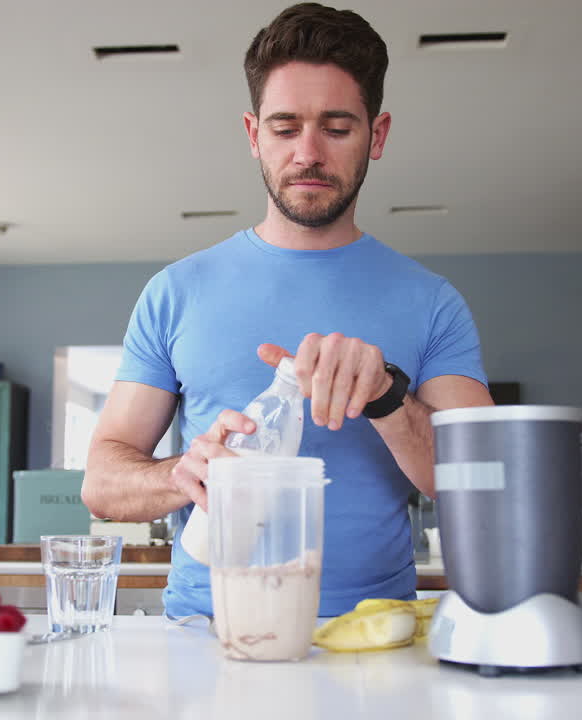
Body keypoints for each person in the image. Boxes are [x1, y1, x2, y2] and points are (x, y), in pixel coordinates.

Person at [81, 2, 494, 618]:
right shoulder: (176, 292)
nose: (308, 153)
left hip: (371, 637)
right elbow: (101, 484)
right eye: (284, 128)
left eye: (337, 127)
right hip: (208, 630)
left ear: (377, 136)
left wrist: (385, 396)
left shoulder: (432, 302)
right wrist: (179, 474)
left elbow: (485, 482)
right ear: (253, 135)